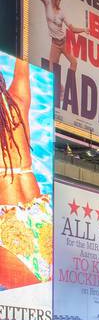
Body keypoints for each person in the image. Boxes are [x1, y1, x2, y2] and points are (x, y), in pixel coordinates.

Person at [0, 58, 53, 297]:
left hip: (6, 222)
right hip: (41, 211)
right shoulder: (19, 102)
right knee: (41, 294)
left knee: (27, 299)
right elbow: (24, 65)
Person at [27, 0, 87, 78]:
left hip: (63, 43)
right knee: (51, 72)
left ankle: (69, 84)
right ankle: (58, 88)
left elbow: (72, 28)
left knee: (74, 62)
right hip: (55, 45)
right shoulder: (47, 3)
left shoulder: (62, 13)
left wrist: (84, 29)